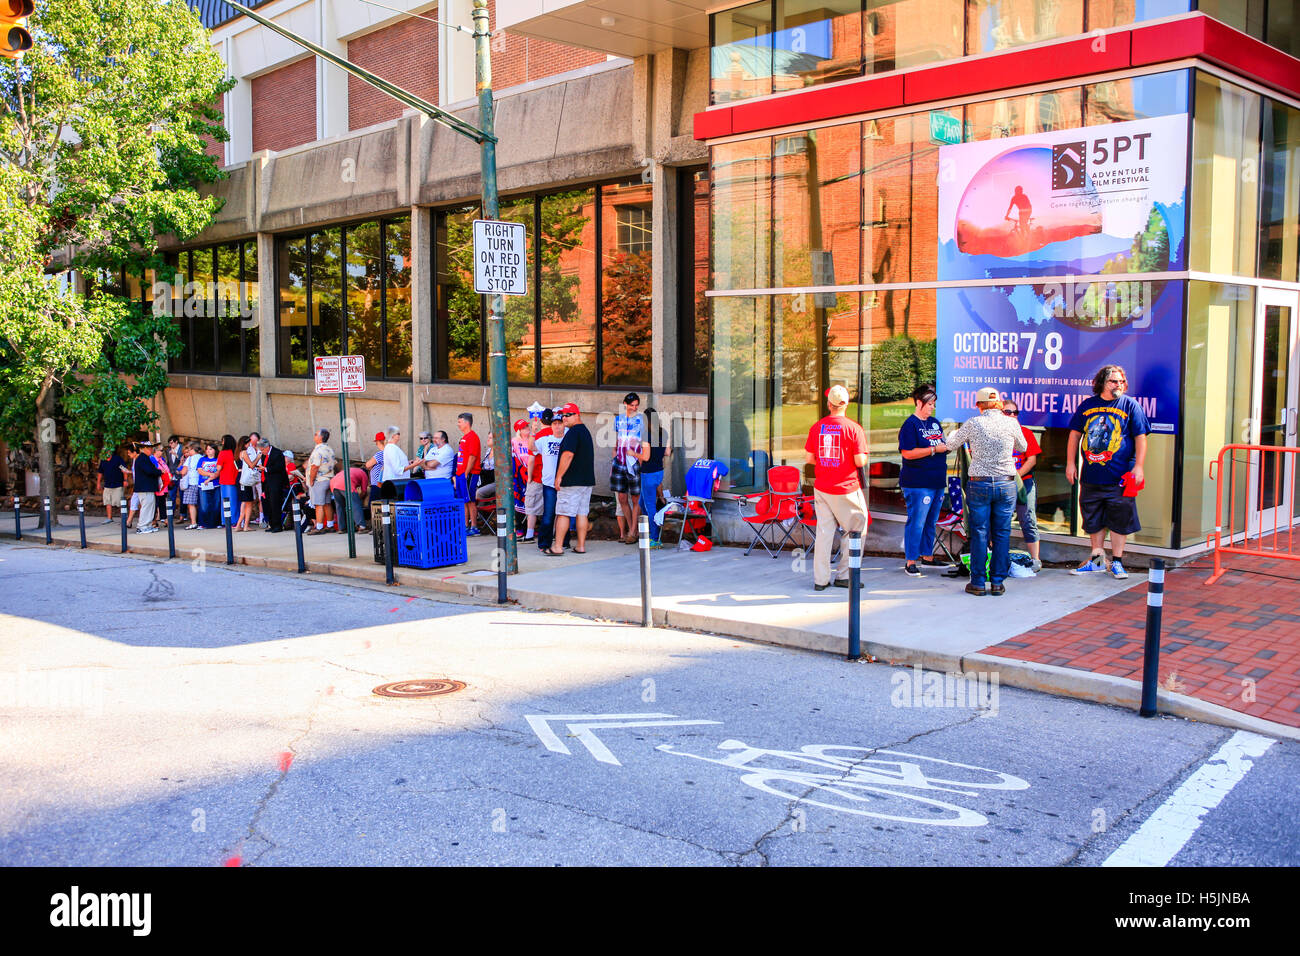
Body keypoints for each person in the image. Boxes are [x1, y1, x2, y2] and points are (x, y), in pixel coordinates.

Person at [941, 386, 1027, 597]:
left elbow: (951, 444)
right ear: (998, 403)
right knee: (1002, 533)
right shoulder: (1011, 422)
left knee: (979, 533)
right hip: (1006, 483)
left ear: (978, 405)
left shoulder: (974, 423)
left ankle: (978, 582)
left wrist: (953, 433)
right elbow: (1023, 447)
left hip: (979, 483)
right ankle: (997, 582)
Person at [1066, 364, 1149, 579]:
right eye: (1114, 381)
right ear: (1102, 382)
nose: (1118, 385)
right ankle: (1097, 561)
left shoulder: (1131, 405)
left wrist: (1139, 466)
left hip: (1120, 476)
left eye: (1121, 381)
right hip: (1091, 475)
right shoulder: (1087, 405)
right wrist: (1071, 463)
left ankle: (1118, 562)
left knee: (1119, 520)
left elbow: (1141, 437)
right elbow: (1075, 435)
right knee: (1093, 518)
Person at [804, 385, 869, 591]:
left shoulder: (817, 427)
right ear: (846, 404)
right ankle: (845, 575)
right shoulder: (853, 428)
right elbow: (860, 461)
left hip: (822, 486)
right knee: (856, 529)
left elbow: (809, 458)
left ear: (829, 404)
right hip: (846, 487)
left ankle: (820, 580)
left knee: (824, 533)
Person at [898, 384, 950, 577]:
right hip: (918, 483)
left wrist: (947, 445)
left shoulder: (935, 423)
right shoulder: (910, 425)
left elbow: (941, 443)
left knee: (931, 521)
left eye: (934, 404)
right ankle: (911, 560)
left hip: (936, 480)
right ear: (919, 403)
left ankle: (927, 556)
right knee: (917, 522)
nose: (932, 407)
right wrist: (934, 450)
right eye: (929, 404)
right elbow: (908, 453)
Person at [545, 403, 594, 556]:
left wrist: (558, 476)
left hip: (572, 481)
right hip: (586, 481)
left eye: (568, 415)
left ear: (577, 415)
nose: (564, 418)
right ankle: (580, 546)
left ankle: (558, 547)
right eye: (563, 415)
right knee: (582, 513)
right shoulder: (585, 431)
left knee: (563, 513)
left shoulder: (573, 433)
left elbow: (568, 455)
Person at [1002, 398, 1043, 572]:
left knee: (1028, 519)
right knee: (999, 521)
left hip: (1023, 483)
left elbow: (1032, 460)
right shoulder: (995, 435)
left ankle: (1035, 560)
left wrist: (1016, 477)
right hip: (1001, 485)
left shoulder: (1025, 432)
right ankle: (996, 557)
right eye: (1007, 412)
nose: (1012, 415)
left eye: (1015, 412)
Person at [635, 409, 671, 548]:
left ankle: (655, 538)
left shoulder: (646, 434)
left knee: (650, 506)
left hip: (648, 473)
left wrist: (633, 452)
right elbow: (667, 452)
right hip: (658, 472)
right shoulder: (664, 433)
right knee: (642, 503)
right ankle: (650, 531)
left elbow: (645, 457)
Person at [611, 392, 644, 544]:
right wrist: (614, 457)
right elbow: (616, 441)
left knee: (636, 497)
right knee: (622, 497)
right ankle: (632, 529)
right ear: (625, 404)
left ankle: (633, 532)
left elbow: (644, 443)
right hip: (620, 461)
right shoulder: (618, 420)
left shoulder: (641, 420)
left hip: (634, 461)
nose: (634, 408)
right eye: (632, 405)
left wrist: (640, 462)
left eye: (636, 405)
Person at [533, 410, 564, 552]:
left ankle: (563, 541)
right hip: (549, 483)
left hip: (565, 483)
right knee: (549, 514)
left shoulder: (568, 439)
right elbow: (531, 448)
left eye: (559, 423)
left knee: (564, 513)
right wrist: (533, 433)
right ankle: (544, 543)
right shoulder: (545, 440)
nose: (557, 426)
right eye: (554, 424)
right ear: (551, 426)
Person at [454, 412, 482, 536]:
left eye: (460, 422)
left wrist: (466, 473)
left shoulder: (473, 437)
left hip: (469, 474)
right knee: (464, 500)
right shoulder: (464, 437)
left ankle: (474, 526)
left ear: (466, 423)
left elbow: (472, 456)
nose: (458, 424)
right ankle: (465, 526)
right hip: (460, 474)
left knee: (470, 500)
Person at [305, 427, 337, 535]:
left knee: (318, 504)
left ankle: (318, 526)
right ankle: (330, 524)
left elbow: (315, 467)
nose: (314, 436)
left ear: (321, 437)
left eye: (315, 434)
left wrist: (311, 480)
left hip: (319, 480)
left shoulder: (318, 450)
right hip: (329, 479)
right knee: (327, 503)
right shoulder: (329, 449)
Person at [131, 441, 162, 534]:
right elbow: (150, 471)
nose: (151, 450)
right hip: (144, 488)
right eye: (150, 448)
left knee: (150, 507)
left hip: (148, 487)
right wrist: (159, 472)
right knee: (146, 507)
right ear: (144, 449)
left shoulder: (145, 458)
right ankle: (141, 526)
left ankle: (147, 525)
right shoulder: (142, 458)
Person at [330, 462, 370, 533]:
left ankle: (342, 528)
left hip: (333, 484)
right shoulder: (363, 474)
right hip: (346, 483)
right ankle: (362, 526)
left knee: (340, 507)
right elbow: (364, 491)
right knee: (356, 505)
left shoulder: (350, 470)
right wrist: (359, 498)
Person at [261, 438, 288, 532]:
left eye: (262, 449)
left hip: (276, 482)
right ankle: (271, 524)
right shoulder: (264, 455)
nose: (262, 452)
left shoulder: (277, 453)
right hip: (267, 482)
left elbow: (279, 467)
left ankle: (277, 525)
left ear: (267, 447)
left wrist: (266, 469)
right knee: (268, 503)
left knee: (275, 503)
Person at [96, 445, 129, 523]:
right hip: (107, 485)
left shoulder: (117, 459)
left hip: (118, 484)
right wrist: (98, 483)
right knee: (107, 501)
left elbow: (124, 469)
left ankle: (124, 518)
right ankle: (109, 518)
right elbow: (100, 472)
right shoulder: (103, 460)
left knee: (120, 502)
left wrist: (125, 480)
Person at [235, 434, 261, 531]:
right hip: (245, 480)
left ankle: (240, 525)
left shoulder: (238, 452)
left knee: (245, 503)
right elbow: (251, 465)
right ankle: (244, 525)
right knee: (248, 503)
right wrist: (258, 457)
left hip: (242, 479)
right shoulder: (244, 453)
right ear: (245, 444)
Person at [216, 434, 239, 527]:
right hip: (236, 479)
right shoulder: (236, 452)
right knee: (235, 501)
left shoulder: (223, 453)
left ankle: (227, 521)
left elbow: (219, 467)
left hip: (225, 480)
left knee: (226, 502)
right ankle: (236, 519)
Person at [196, 442, 221, 528]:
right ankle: (203, 523)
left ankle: (216, 523)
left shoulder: (218, 460)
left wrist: (211, 478)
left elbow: (218, 472)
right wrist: (210, 474)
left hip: (216, 485)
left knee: (216, 504)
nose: (208, 451)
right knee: (204, 505)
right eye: (207, 449)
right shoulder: (202, 460)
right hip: (204, 485)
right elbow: (200, 470)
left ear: (215, 450)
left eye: (210, 449)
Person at [179, 443, 201, 529]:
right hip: (200, 483)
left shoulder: (190, 458)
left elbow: (184, 471)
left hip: (191, 482)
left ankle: (193, 522)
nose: (188, 452)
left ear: (193, 450)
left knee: (191, 504)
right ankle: (200, 521)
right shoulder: (202, 457)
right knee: (199, 503)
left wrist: (180, 472)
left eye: (190, 450)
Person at [364, 432, 387, 508]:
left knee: (373, 505)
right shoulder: (389, 452)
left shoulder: (380, 453)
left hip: (377, 483)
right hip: (385, 483)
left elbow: (368, 464)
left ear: (378, 442)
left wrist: (371, 465)